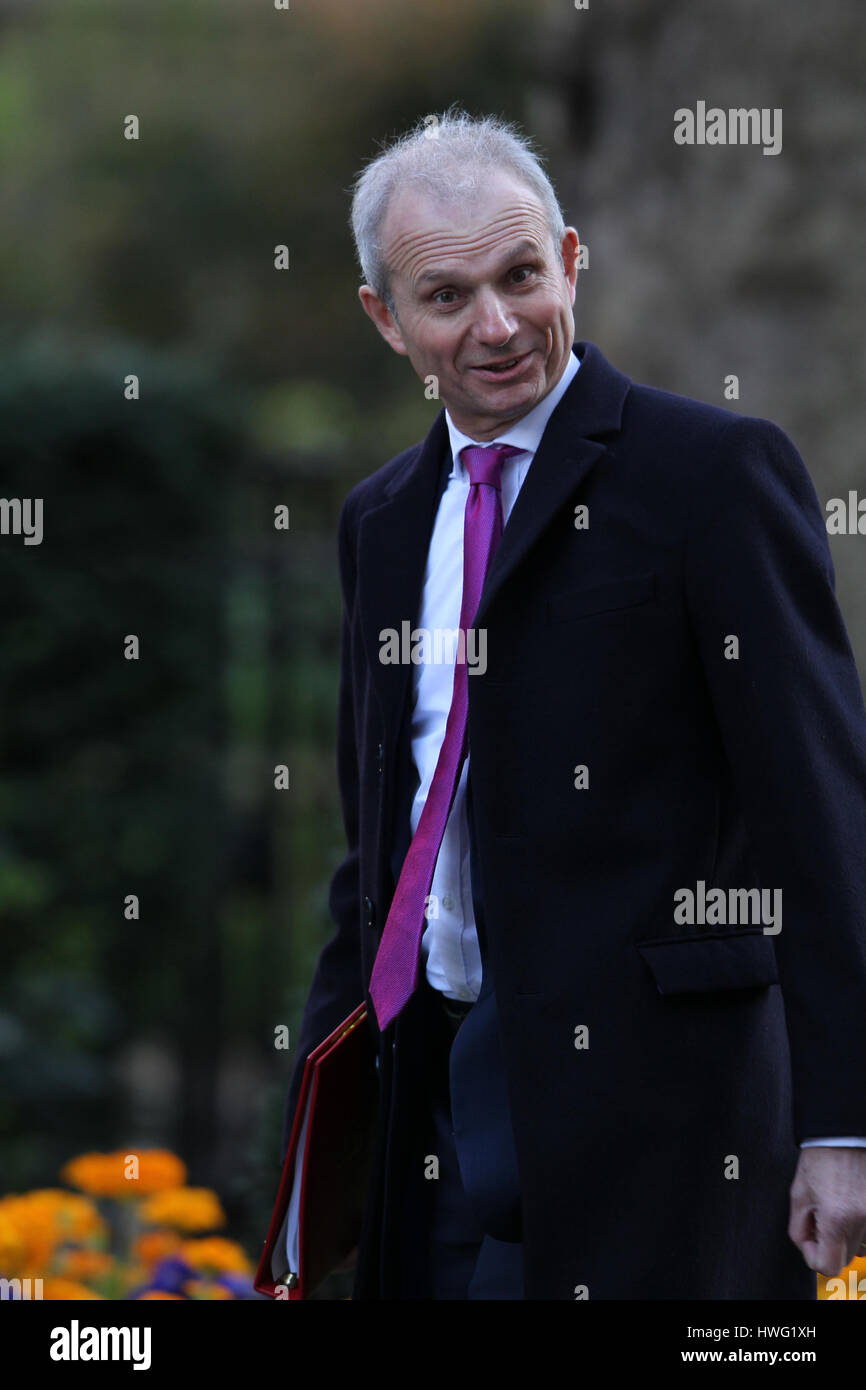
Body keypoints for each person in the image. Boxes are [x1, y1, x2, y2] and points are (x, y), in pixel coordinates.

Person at [278, 110, 866, 1299]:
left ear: (570, 259)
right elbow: (378, 851)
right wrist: (316, 1140)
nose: (495, 326)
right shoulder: (380, 521)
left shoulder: (710, 475)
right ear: (386, 321)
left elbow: (823, 820)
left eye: (521, 276)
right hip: (426, 1105)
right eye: (446, 296)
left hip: (659, 1123)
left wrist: (842, 1126)